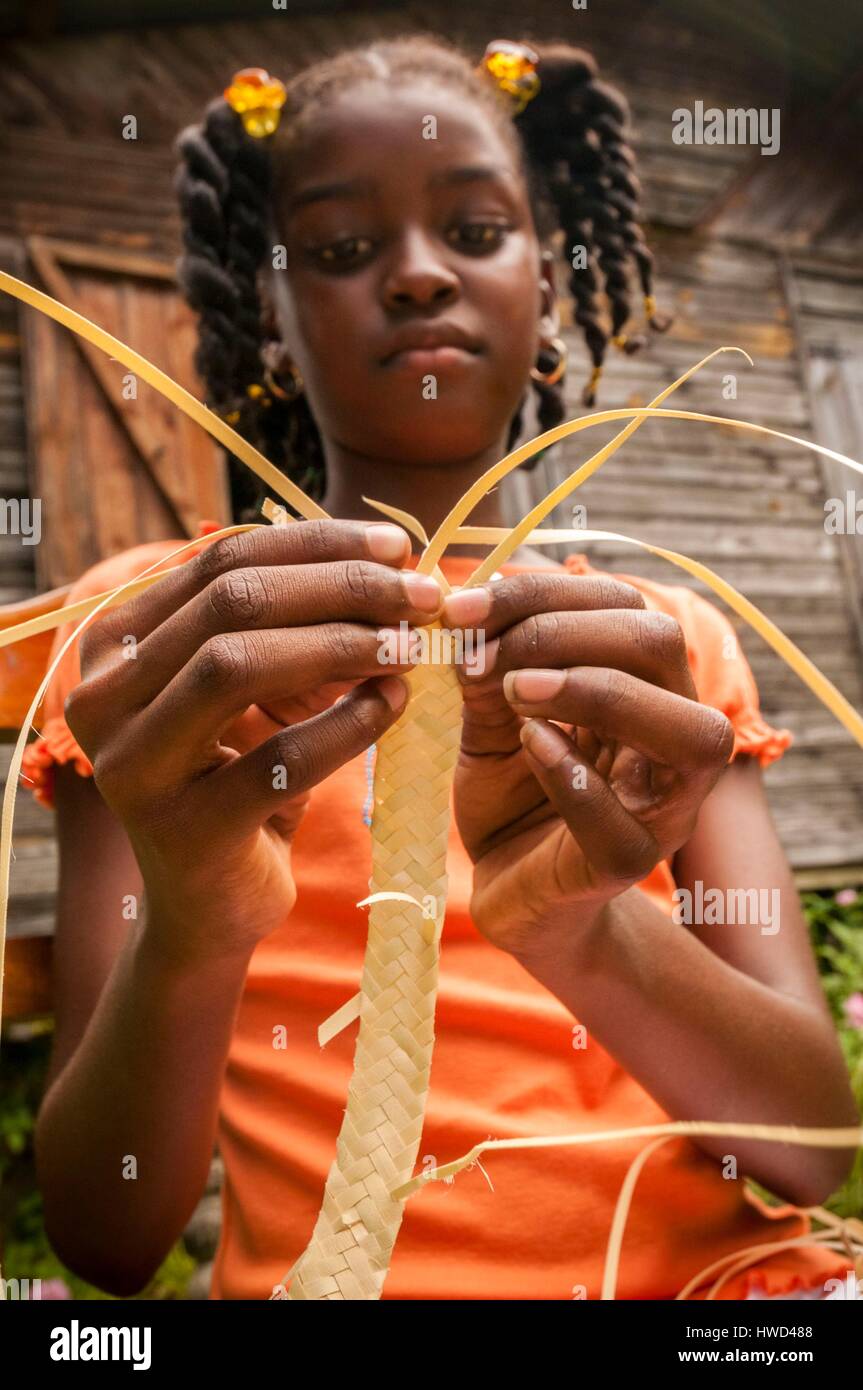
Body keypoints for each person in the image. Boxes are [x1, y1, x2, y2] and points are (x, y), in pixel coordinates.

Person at [26, 35, 858, 1300]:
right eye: (345, 248)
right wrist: (191, 926)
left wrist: (588, 934)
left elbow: (809, 1148)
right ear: (268, 305)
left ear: (546, 277)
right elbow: (108, 1230)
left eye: (474, 229)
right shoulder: (161, 648)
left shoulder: (662, 643)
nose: (417, 274)